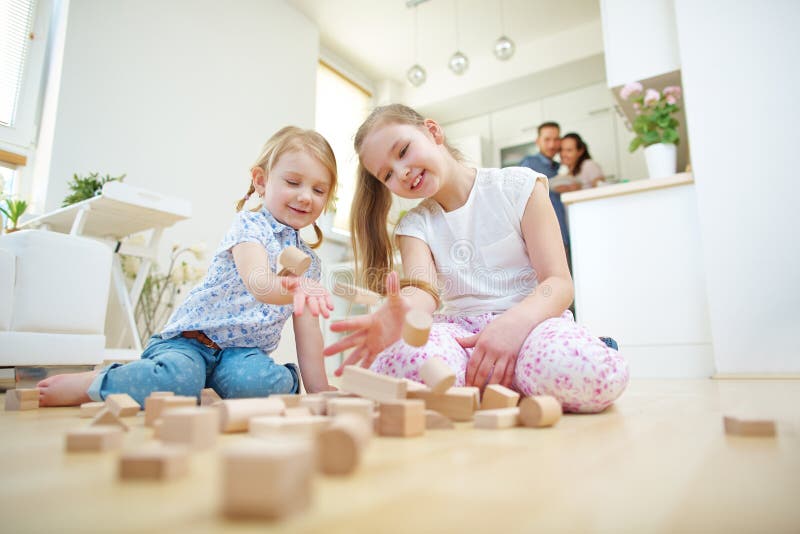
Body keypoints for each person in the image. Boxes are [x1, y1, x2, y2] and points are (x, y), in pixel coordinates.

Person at [322, 104, 628, 413]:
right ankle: (511, 384)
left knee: (596, 375)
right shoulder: (415, 225)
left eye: (402, 151)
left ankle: (562, 358)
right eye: (387, 174)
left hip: (530, 325)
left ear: (433, 131)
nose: (401, 172)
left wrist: (511, 326)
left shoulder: (519, 186)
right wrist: (401, 313)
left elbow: (558, 283)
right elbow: (422, 293)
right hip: (463, 338)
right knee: (400, 370)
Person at [38, 126, 338, 407]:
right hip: (191, 342)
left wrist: (319, 387)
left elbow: (309, 330)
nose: (305, 196)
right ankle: (94, 383)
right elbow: (258, 282)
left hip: (241, 356)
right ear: (261, 181)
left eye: (319, 190)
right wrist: (293, 286)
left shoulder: (309, 264)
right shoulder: (250, 226)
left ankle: (258, 382)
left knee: (258, 385)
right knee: (178, 380)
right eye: (293, 182)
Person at [519, 122, 571, 256]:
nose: (552, 145)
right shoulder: (529, 163)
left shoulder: (560, 167)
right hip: (545, 238)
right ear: (538, 141)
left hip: (565, 233)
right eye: (547, 139)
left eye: (556, 139)